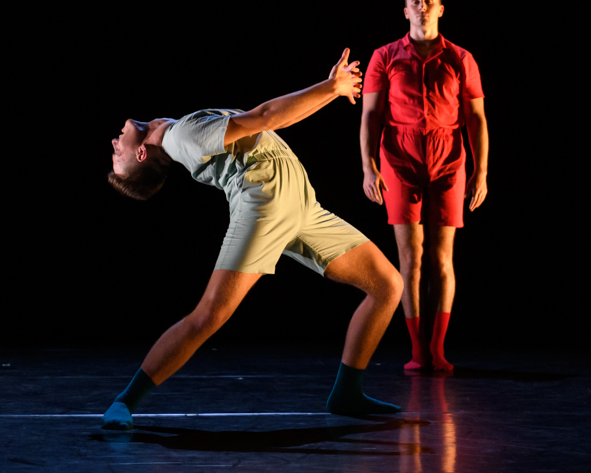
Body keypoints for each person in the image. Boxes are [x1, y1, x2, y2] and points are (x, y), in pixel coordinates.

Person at [101, 49, 404, 430]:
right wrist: (330, 88)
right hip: (265, 202)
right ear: (142, 153)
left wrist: (330, 90)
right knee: (209, 315)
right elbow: (264, 117)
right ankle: (125, 401)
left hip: (302, 205)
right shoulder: (181, 137)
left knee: (387, 284)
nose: (114, 145)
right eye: (119, 157)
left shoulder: (178, 129)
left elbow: (267, 121)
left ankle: (347, 392)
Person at [360, 0, 488, 375]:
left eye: (429, 0)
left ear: (440, 8)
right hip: (400, 157)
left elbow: (477, 118)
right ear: (405, 9)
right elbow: (370, 115)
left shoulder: (461, 58)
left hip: (449, 157)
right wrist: (369, 166)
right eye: (416, 0)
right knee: (410, 259)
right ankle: (418, 352)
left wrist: (481, 171)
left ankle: (438, 349)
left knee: (442, 259)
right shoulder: (385, 56)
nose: (422, 6)